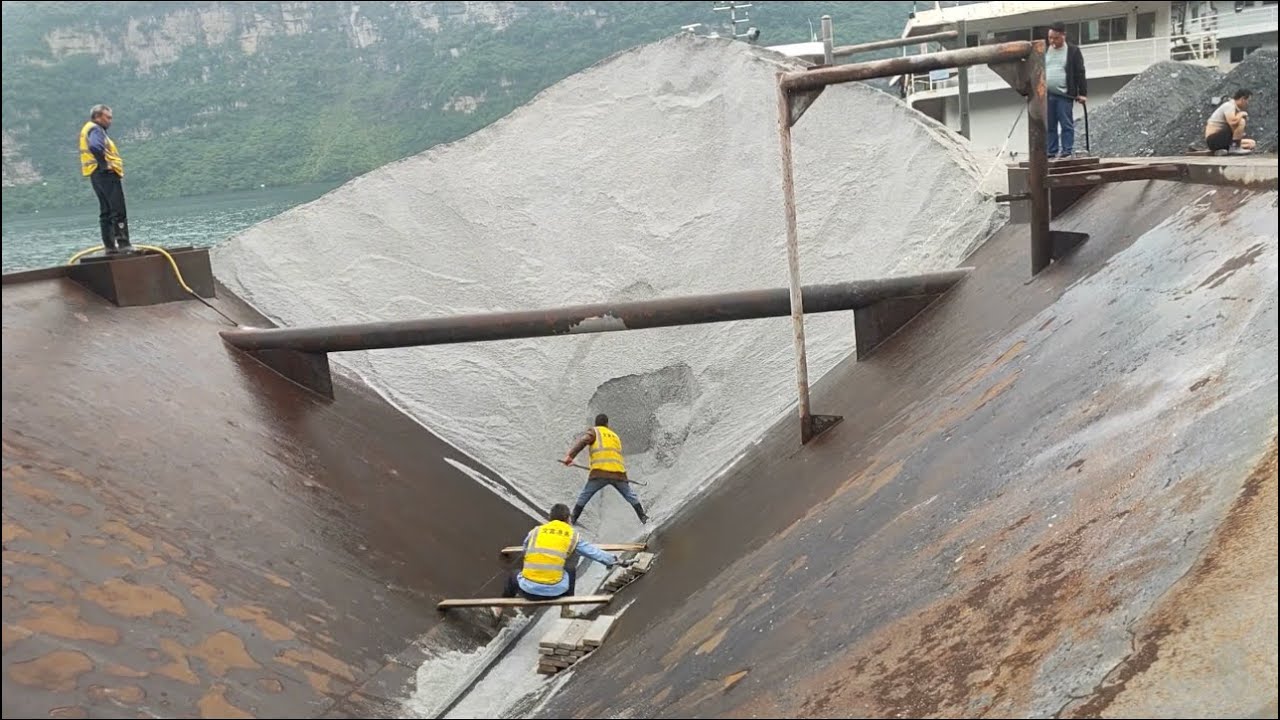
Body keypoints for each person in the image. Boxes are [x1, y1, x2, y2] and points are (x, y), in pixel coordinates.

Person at [500, 503, 629, 618]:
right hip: (556, 592)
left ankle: (498, 609)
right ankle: (566, 609)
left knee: (513, 575)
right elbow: (593, 552)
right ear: (568, 519)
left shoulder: (535, 532)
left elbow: (526, 549)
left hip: (528, 592)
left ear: (550, 518)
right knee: (570, 567)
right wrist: (615, 561)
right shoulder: (572, 536)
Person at [561, 414, 648, 526]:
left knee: (585, 495)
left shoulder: (594, 431)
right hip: (619, 473)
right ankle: (643, 517)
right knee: (630, 496)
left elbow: (583, 441)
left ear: (596, 423)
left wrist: (570, 456)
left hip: (600, 472)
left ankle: (573, 519)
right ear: (607, 424)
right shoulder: (615, 436)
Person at [78, 104, 133, 254]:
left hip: (95, 174)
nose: (110, 121)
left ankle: (109, 246)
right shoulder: (96, 129)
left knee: (106, 211)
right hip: (105, 173)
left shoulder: (87, 128)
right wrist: (105, 164)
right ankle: (124, 244)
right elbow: (95, 147)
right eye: (107, 117)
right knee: (117, 209)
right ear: (97, 117)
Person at [1045, 22, 1088, 159]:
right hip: (1047, 94)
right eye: (1050, 38)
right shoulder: (1045, 50)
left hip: (1064, 94)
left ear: (1063, 35)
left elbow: (1080, 72)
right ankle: (1051, 152)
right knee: (1050, 125)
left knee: (1066, 124)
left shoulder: (1073, 51)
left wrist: (1082, 93)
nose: (1052, 41)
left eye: (1055, 38)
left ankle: (1066, 151)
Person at [1205, 89, 1256, 154]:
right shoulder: (1229, 105)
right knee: (1241, 121)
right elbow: (1232, 122)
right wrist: (1241, 114)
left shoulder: (1235, 108)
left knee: (1251, 144)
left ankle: (1225, 150)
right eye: (1248, 100)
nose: (1248, 103)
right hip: (1214, 139)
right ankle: (1234, 148)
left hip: (1224, 139)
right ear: (1243, 99)